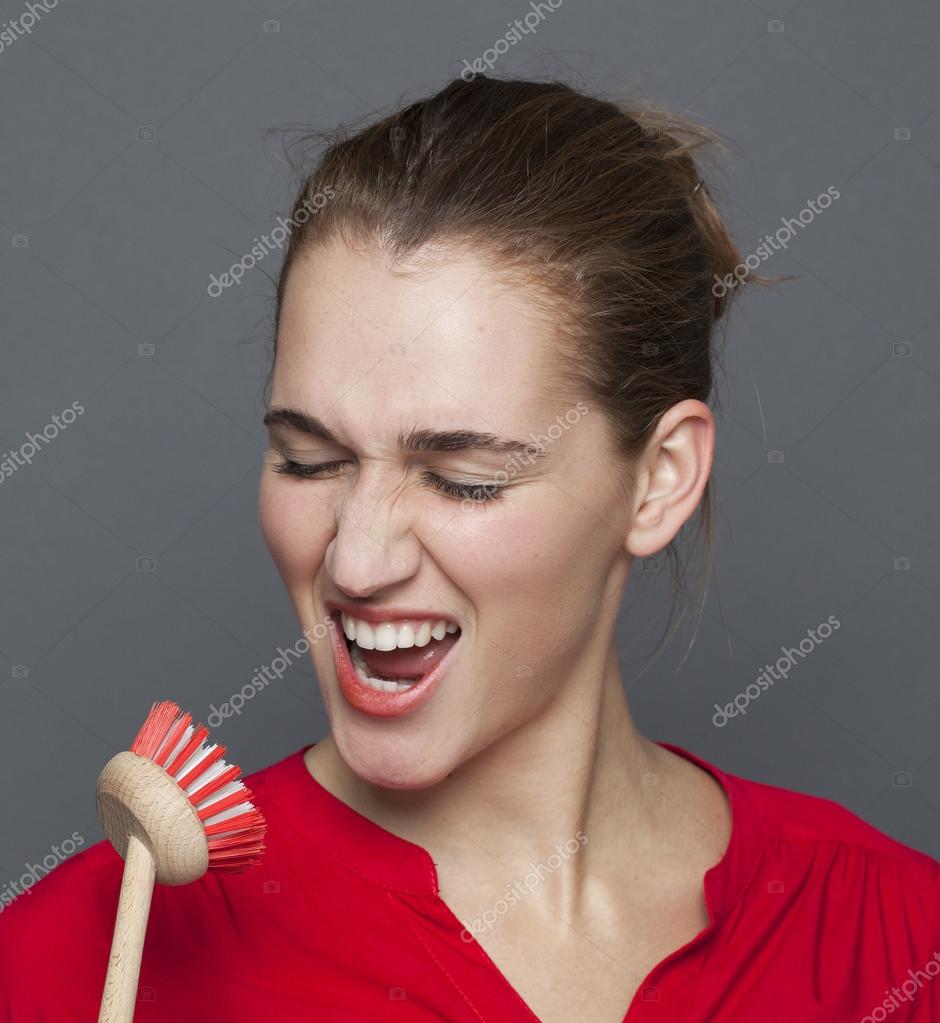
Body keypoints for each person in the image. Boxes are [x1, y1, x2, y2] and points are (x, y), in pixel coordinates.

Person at [2, 74, 938, 1023]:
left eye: (464, 478)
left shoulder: (895, 944)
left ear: (658, 479)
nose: (356, 562)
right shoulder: (77, 953)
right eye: (309, 459)